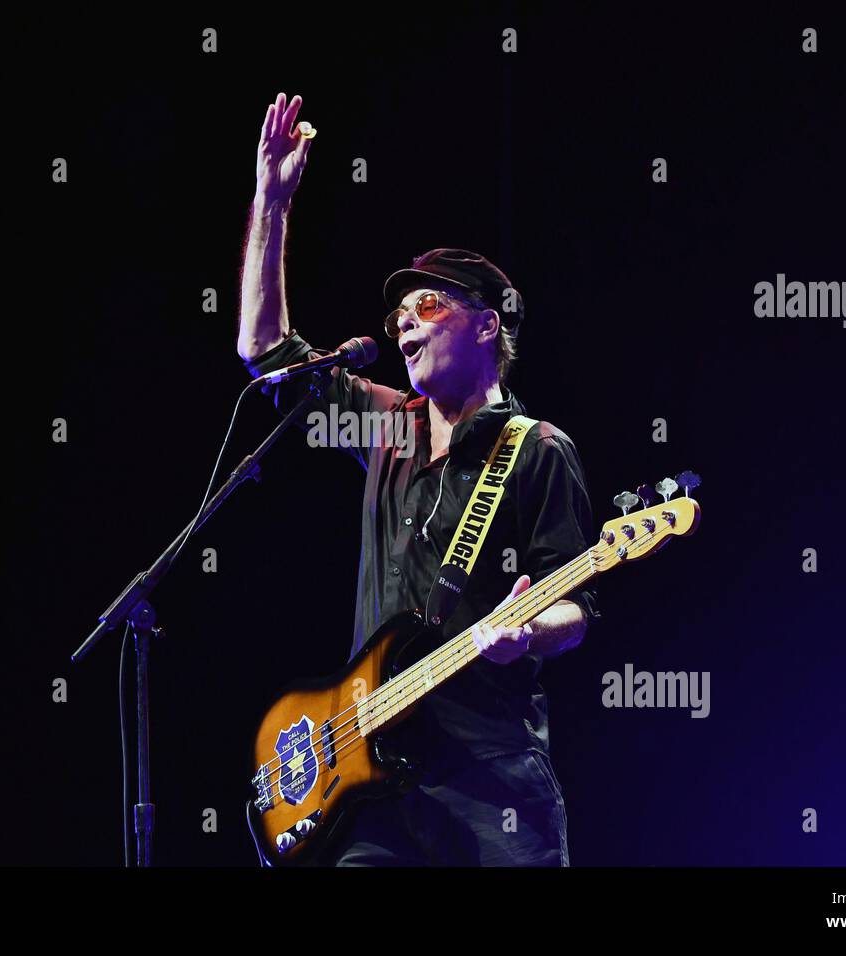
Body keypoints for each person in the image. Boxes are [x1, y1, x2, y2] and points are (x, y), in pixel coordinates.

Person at [237, 93, 598, 866]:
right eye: (396, 312)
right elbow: (265, 349)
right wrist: (272, 199)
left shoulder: (538, 451)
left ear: (486, 323)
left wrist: (530, 631)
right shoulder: (385, 424)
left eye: (425, 305)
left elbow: (576, 601)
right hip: (372, 785)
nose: (402, 322)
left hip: (490, 780)